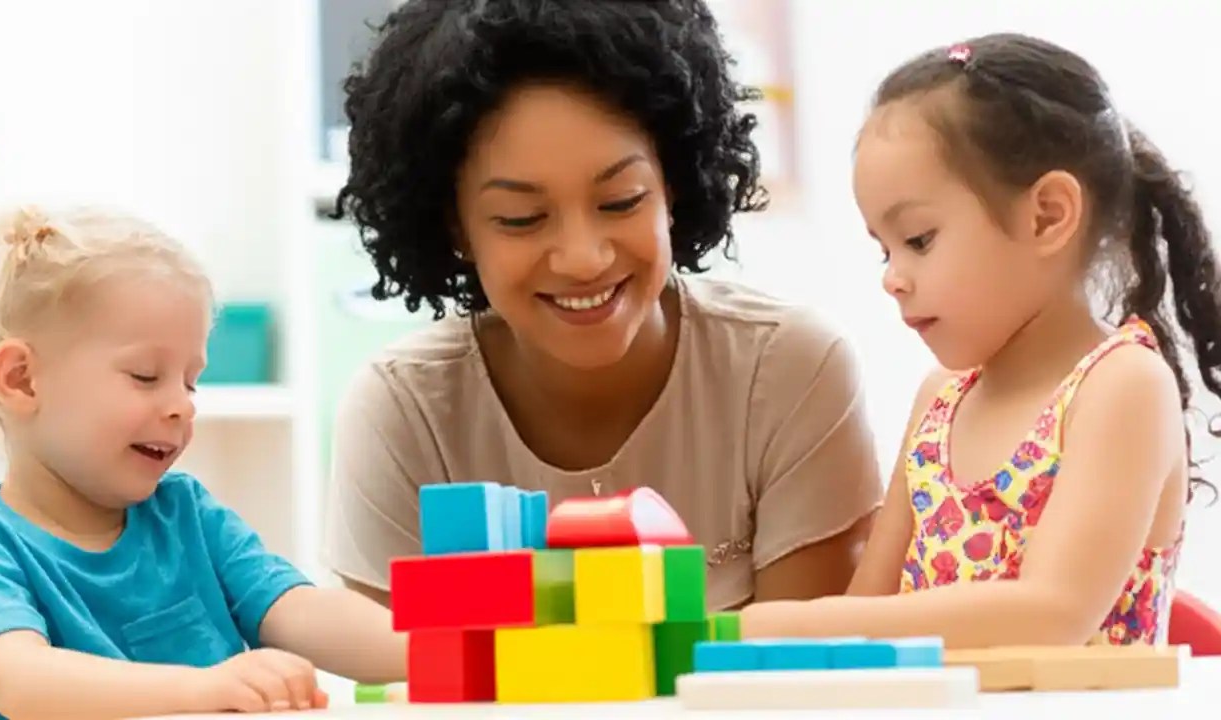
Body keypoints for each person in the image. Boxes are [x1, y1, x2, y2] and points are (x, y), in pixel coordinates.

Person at [322, 0, 885, 612]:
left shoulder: (790, 372)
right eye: (522, 218)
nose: (583, 257)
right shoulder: (405, 414)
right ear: (455, 227)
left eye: (620, 201)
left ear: (672, 187)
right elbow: (405, 685)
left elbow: (799, 682)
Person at [741, 32, 1221, 648]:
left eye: (918, 240)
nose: (892, 278)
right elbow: (865, 616)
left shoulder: (1122, 385)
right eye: (883, 250)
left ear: (1047, 215)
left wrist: (790, 622)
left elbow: (1051, 615)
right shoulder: (938, 403)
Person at [0, 206, 406, 720]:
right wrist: (208, 690)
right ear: (23, 379)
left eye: (190, 381)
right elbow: (23, 683)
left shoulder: (189, 516)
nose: (183, 405)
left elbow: (299, 610)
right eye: (145, 375)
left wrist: (453, 651)